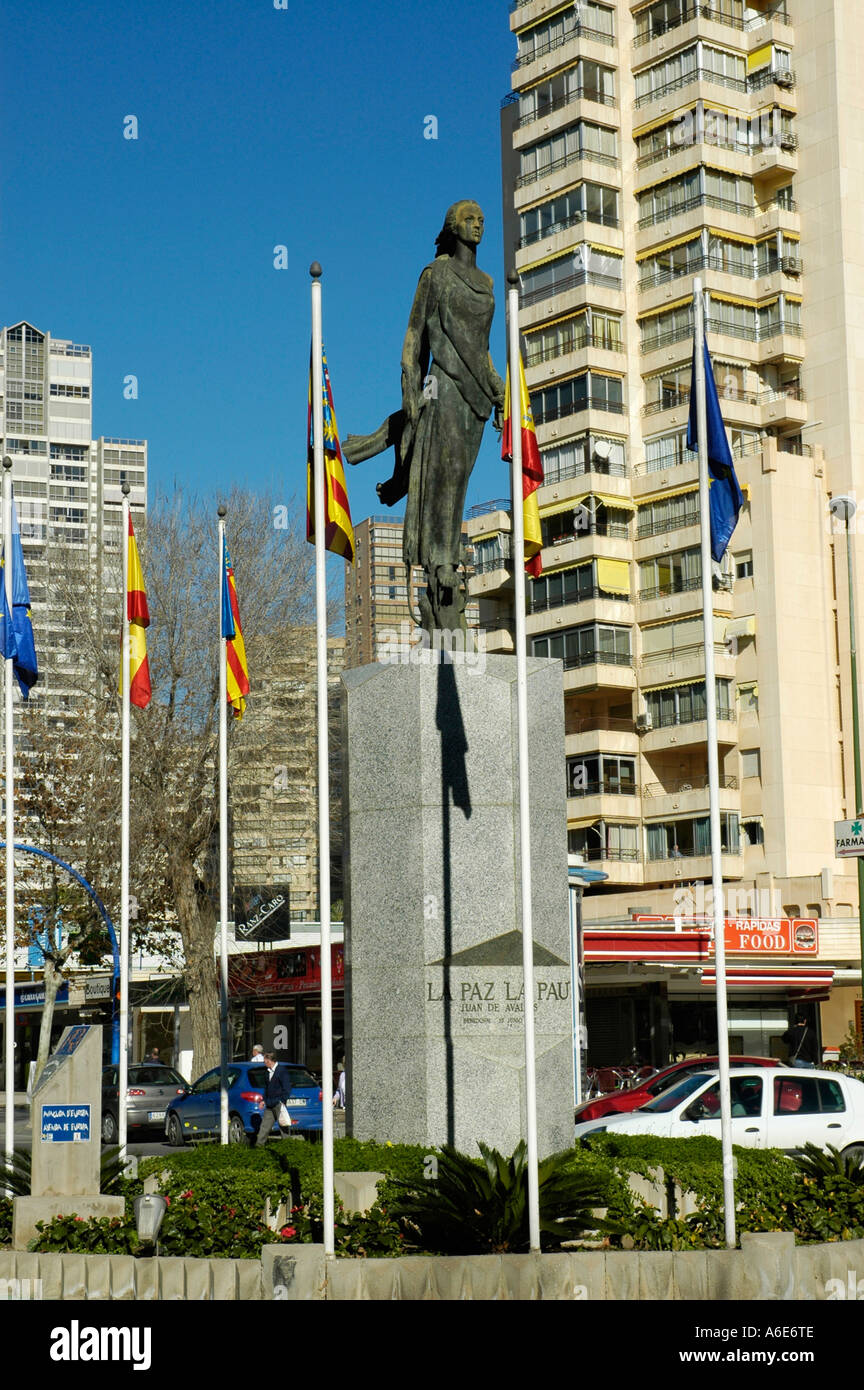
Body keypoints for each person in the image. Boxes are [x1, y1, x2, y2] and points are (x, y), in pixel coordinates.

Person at [344, 200, 505, 631]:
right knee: (440, 479)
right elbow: (415, 334)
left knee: (459, 480)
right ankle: (440, 566)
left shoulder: (488, 284)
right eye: (470, 221)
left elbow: (483, 347)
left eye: (482, 221)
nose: (478, 226)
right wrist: (409, 388)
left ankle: (449, 561)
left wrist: (499, 389)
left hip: (475, 397)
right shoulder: (435, 275)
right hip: (442, 385)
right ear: (453, 227)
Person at [255, 1052, 292, 1147]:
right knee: (264, 1127)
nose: (264, 1063)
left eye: (265, 1061)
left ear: (269, 1061)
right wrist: (264, 1100)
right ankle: (259, 1147)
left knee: (283, 1126)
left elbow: (287, 1088)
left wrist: (282, 1101)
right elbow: (267, 1088)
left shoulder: (281, 1071)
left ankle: (289, 1147)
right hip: (269, 1103)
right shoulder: (267, 1072)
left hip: (279, 1103)